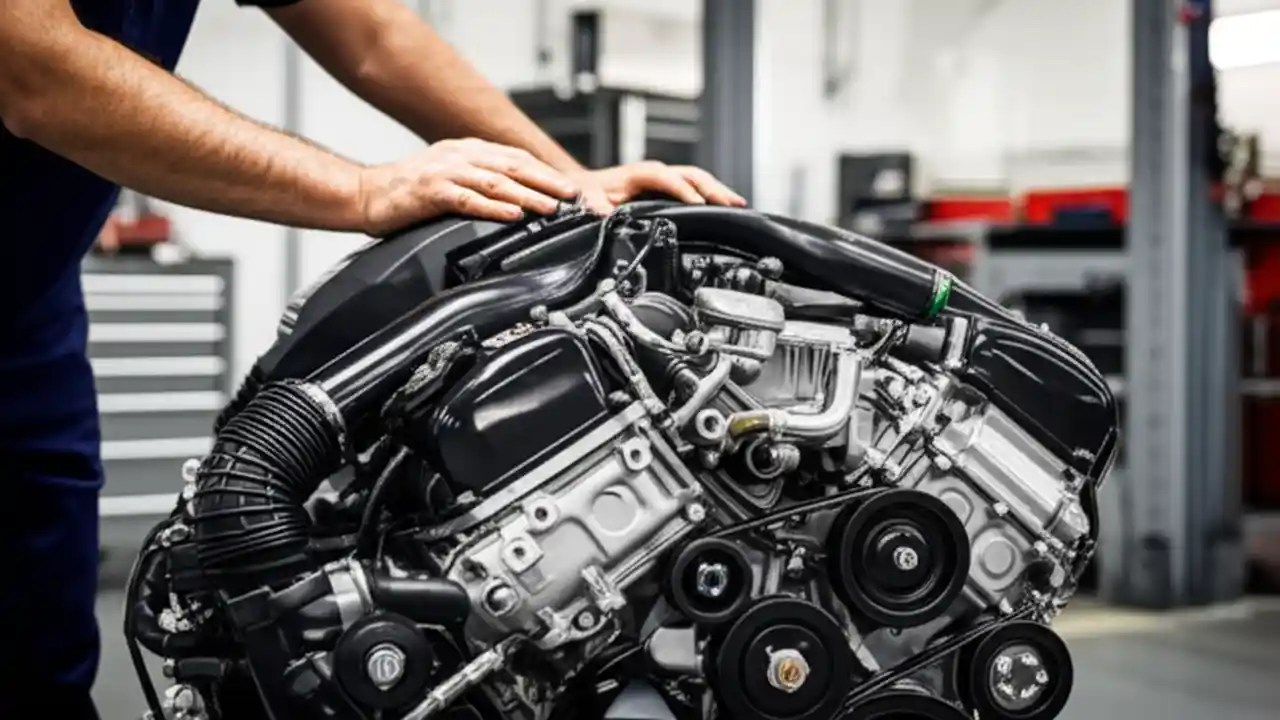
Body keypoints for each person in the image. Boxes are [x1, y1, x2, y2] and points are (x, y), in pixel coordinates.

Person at [0, 1, 744, 716]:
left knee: (38, 644)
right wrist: (362, 187)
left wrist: (571, 186)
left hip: (31, 294)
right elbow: (33, 66)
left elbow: (371, 33)